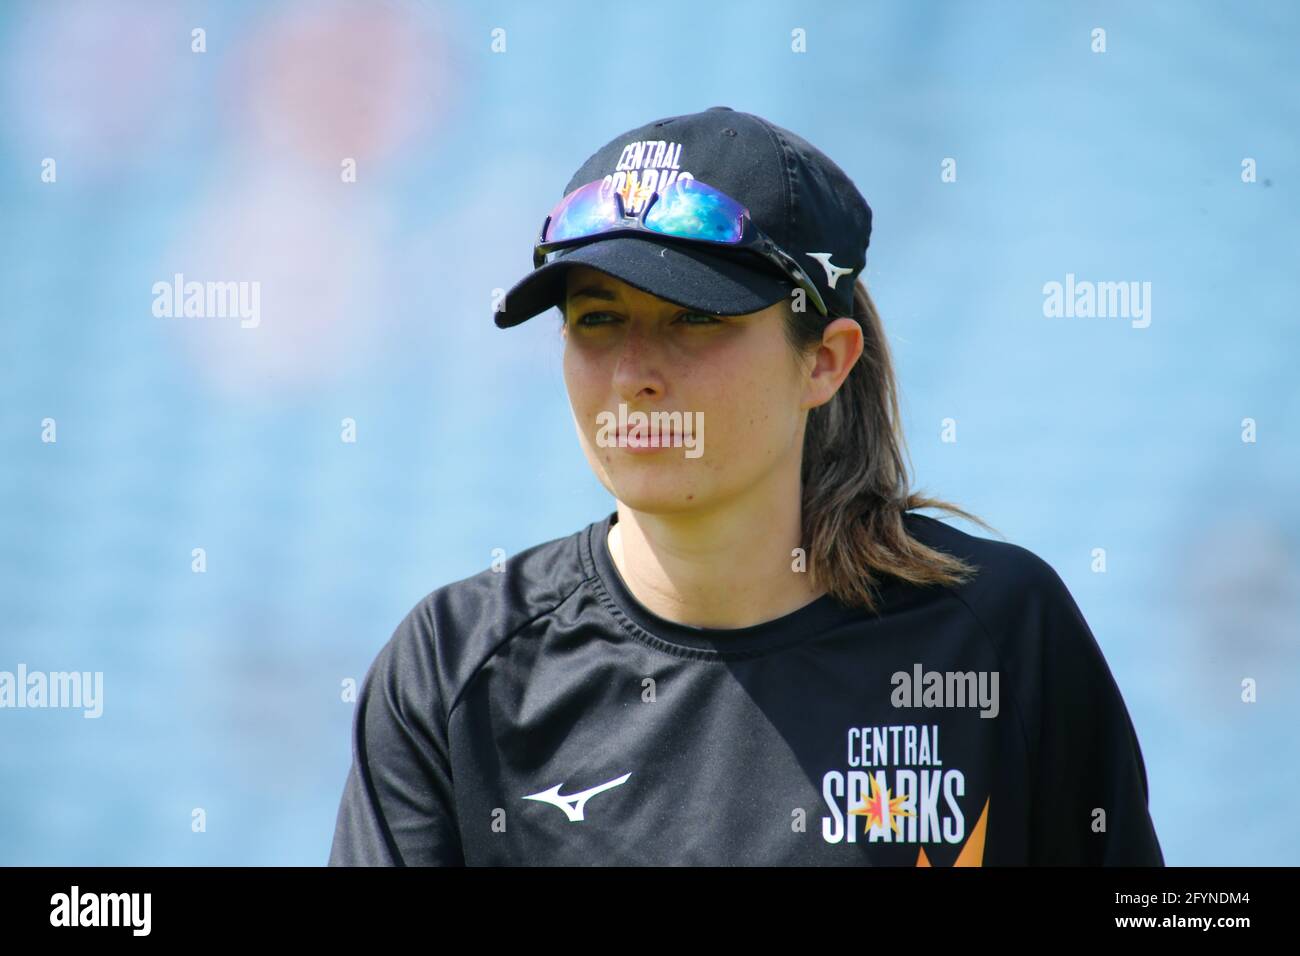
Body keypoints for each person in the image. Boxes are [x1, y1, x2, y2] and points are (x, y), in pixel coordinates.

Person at [327, 106, 1164, 866]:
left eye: (697, 318)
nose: (633, 375)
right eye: (597, 317)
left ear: (825, 362)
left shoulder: (1002, 633)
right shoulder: (452, 668)